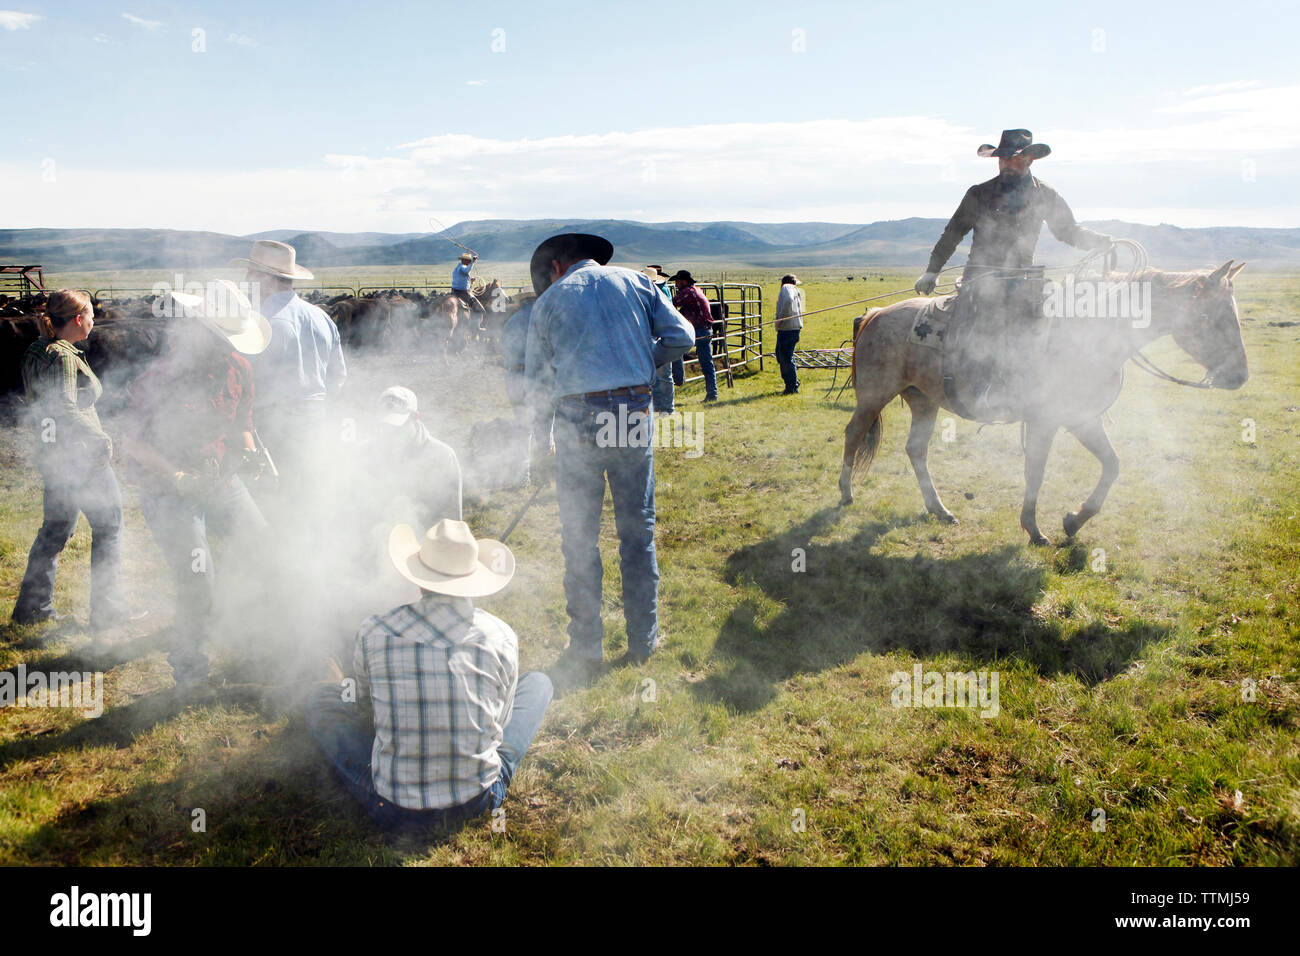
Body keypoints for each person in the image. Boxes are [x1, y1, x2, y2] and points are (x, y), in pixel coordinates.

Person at [306, 518, 552, 831]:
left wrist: (339, 689)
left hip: (393, 807)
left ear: (420, 579)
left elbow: (363, 701)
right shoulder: (501, 636)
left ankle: (328, 692)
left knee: (323, 707)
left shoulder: (374, 631)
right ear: (472, 579)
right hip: (479, 799)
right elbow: (499, 725)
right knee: (539, 683)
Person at [524, 234, 695, 680]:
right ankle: (643, 640)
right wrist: (644, 363)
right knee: (637, 531)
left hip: (578, 418)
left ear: (558, 267)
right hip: (631, 414)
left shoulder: (548, 302)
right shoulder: (638, 284)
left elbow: (537, 385)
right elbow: (683, 336)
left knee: (579, 537)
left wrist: (540, 447)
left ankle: (586, 646)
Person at [123, 280, 272, 686]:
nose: (231, 347)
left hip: (222, 480)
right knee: (196, 575)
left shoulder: (239, 366)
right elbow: (134, 442)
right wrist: (176, 476)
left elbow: (243, 422)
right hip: (170, 491)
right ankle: (189, 668)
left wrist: (250, 451)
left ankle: (252, 637)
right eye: (223, 338)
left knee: (264, 548)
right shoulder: (161, 377)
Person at [913, 129, 1112, 416]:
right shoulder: (979, 193)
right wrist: (932, 271)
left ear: (1029, 160)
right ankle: (983, 388)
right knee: (990, 322)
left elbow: (1068, 231)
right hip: (981, 279)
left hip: (1025, 280)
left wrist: (1099, 242)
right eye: (1001, 159)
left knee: (1062, 320)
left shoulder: (1045, 195)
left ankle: (1061, 388)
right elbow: (952, 234)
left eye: (1012, 159)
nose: (1005, 164)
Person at [11, 290, 135, 629]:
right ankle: (108, 612)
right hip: (81, 457)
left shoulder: (37, 350)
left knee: (54, 530)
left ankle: (32, 608)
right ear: (78, 319)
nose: (95, 320)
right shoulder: (64, 357)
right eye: (91, 314)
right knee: (109, 526)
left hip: (54, 456)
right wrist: (99, 437)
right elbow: (64, 406)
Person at [231, 239, 346, 515]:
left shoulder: (259, 323)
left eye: (250, 274)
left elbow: (248, 381)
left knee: (274, 500)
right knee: (309, 495)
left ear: (264, 277)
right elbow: (338, 377)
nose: (246, 280)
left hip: (273, 425)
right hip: (316, 421)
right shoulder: (320, 317)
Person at [369, 385, 463, 531]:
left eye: (397, 426)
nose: (390, 433)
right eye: (385, 426)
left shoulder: (442, 456)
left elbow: (451, 522)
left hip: (426, 544)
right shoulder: (367, 453)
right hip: (378, 539)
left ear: (415, 417)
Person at [669, 270, 718, 402]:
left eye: (678, 282)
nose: (676, 284)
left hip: (699, 330)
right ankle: (712, 393)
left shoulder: (688, 292)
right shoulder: (696, 290)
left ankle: (678, 378)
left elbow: (672, 302)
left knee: (674, 348)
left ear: (684, 281)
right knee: (707, 363)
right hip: (705, 329)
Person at [644, 266, 677, 414]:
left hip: (656, 335)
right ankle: (662, 407)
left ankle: (665, 407)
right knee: (662, 375)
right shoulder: (664, 291)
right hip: (662, 335)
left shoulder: (657, 293)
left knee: (662, 374)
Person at [774, 273, 805, 395]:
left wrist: (781, 318)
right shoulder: (797, 290)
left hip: (787, 328)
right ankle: (793, 382)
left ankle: (792, 387)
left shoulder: (787, 288)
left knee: (785, 357)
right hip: (794, 327)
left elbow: (787, 301)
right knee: (782, 355)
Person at [450, 252, 485, 316]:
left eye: (469, 261)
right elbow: (466, 270)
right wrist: (473, 262)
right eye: (469, 260)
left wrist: (470, 280)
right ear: (464, 260)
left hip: (454, 291)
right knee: (479, 308)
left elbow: (460, 279)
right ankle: (475, 324)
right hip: (463, 292)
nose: (469, 262)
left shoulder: (457, 268)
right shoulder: (463, 267)